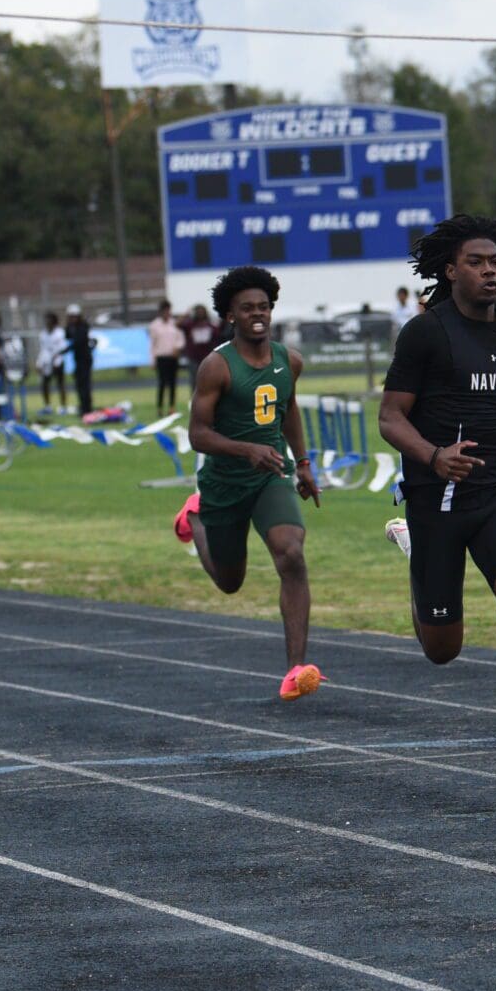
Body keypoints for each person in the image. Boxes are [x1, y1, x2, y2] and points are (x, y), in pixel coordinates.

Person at [377, 214, 496, 798]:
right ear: (450, 270)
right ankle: (415, 551)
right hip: (436, 497)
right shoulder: (425, 334)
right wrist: (434, 457)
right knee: (443, 649)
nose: (489, 272)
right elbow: (389, 418)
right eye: (476, 263)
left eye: (495, 263)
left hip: (495, 494)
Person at [172, 268, 324, 696]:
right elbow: (197, 435)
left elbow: (288, 408)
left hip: (271, 477)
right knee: (229, 581)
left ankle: (296, 669)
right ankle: (195, 517)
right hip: (224, 483)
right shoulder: (216, 366)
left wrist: (304, 463)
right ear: (230, 316)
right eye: (247, 309)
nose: (257, 314)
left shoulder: (289, 360)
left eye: (263, 307)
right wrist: (246, 449)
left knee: (291, 554)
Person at [148, 300, 186, 413]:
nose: (167, 313)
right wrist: (152, 360)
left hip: (173, 357)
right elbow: (152, 344)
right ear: (161, 312)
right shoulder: (154, 325)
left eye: (168, 310)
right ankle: (159, 407)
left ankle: (172, 407)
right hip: (161, 358)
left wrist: (177, 348)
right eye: (164, 311)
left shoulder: (174, 324)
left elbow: (181, 339)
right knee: (162, 383)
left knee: (173, 383)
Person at [64, 304, 96, 415]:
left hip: (85, 360)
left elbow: (77, 342)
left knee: (84, 385)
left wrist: (65, 350)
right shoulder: (72, 327)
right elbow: (67, 335)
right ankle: (83, 406)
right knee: (79, 385)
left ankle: (87, 408)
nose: (72, 319)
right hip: (78, 360)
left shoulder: (83, 327)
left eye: (74, 317)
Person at [33, 312, 66, 409]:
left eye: (50, 319)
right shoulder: (43, 334)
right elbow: (43, 349)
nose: (48, 322)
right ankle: (47, 406)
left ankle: (63, 406)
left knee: (60, 384)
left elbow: (61, 348)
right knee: (45, 384)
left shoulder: (59, 332)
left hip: (57, 361)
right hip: (46, 361)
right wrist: (39, 362)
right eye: (46, 320)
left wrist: (57, 360)